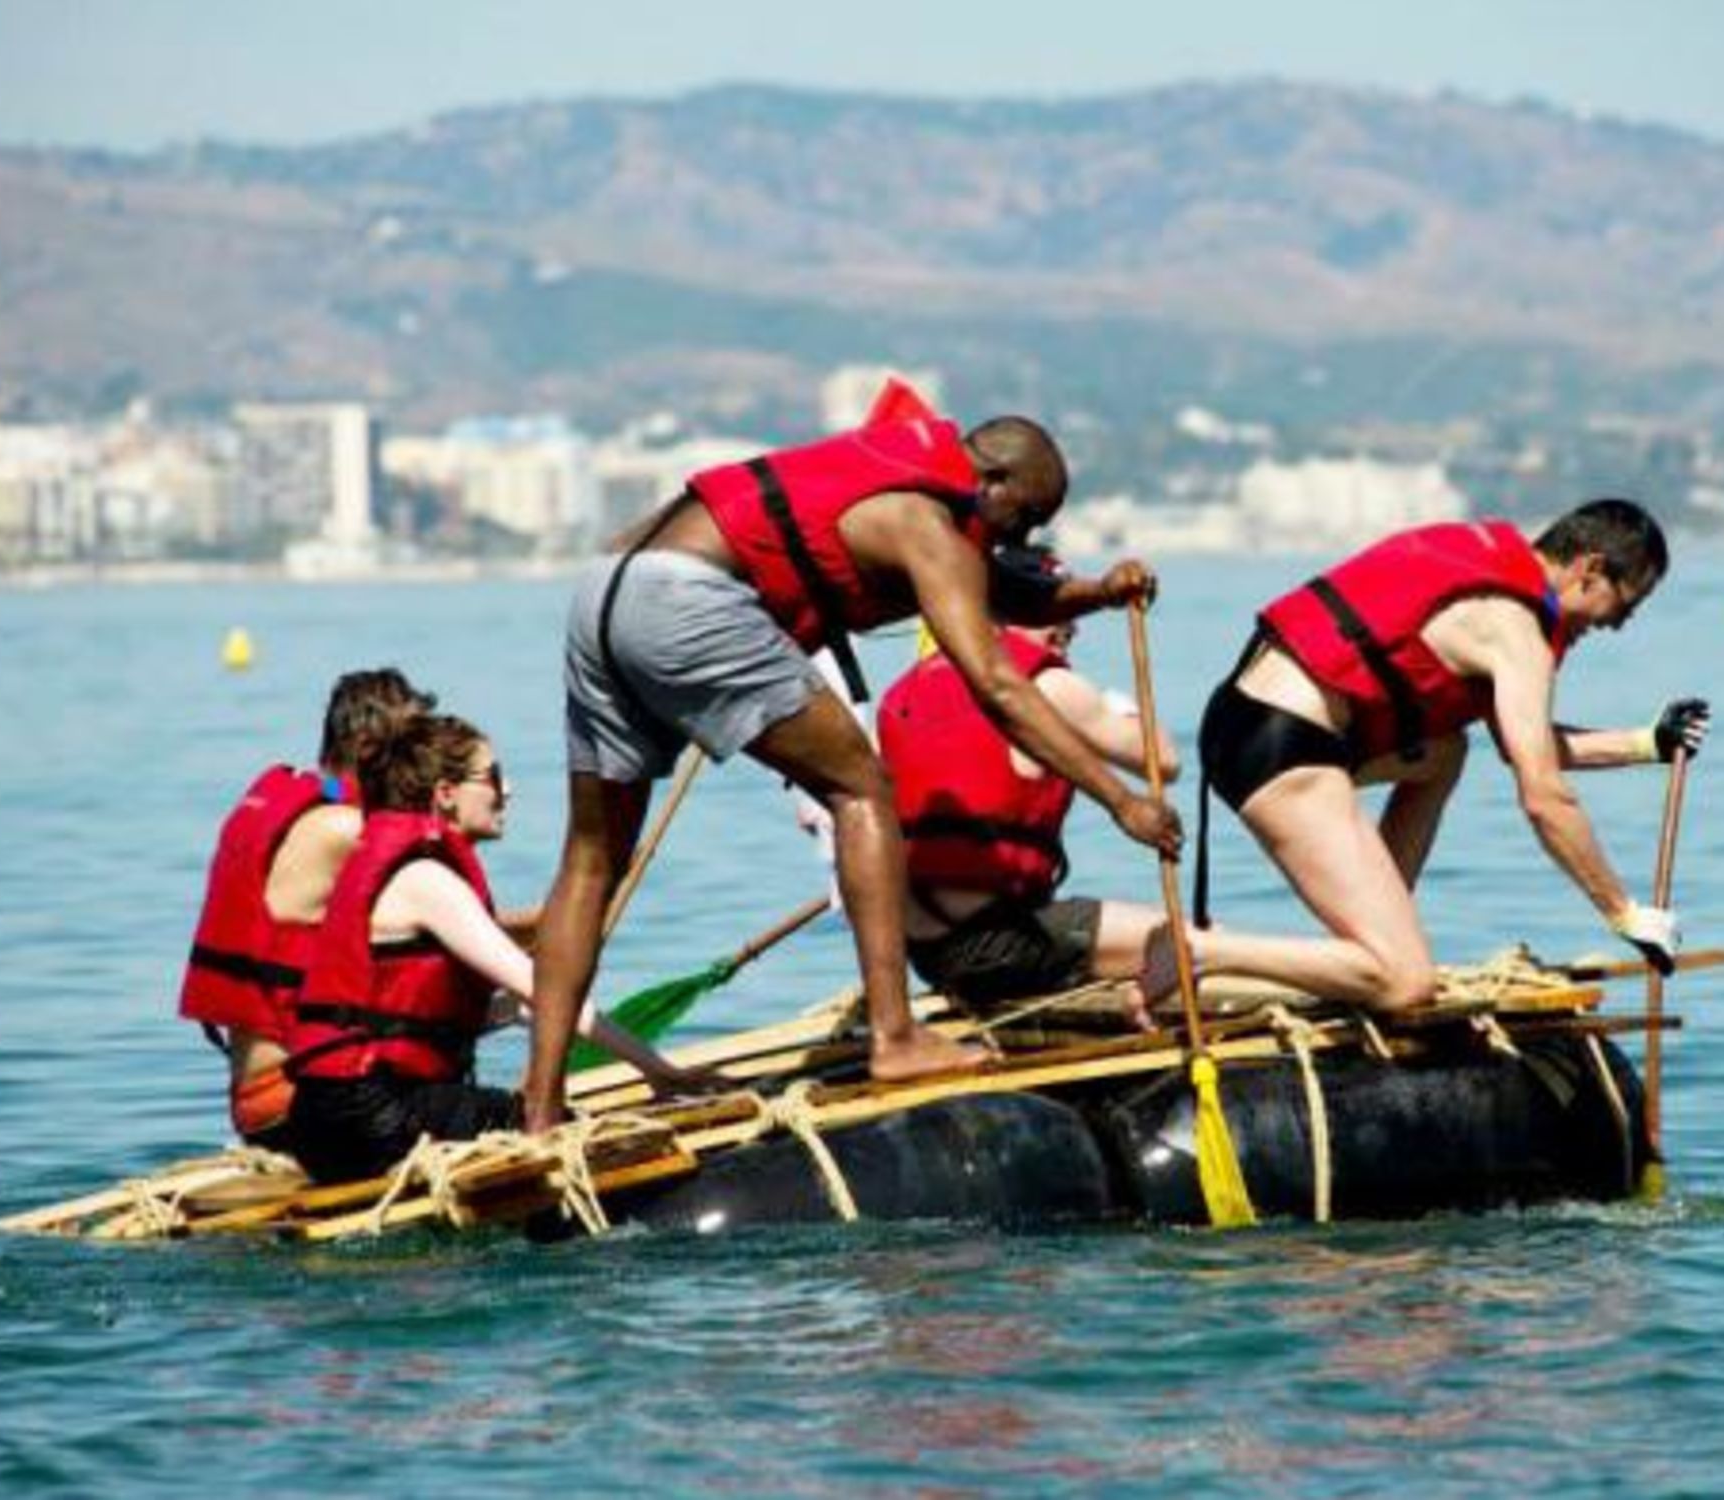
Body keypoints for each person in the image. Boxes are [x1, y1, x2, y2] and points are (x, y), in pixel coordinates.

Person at [533, 378, 1181, 1125]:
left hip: (603, 595)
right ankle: (896, 1036)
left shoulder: (905, 494)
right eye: (1023, 517)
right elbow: (999, 684)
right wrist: (1121, 799)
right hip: (688, 601)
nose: (1019, 539)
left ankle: (542, 1106)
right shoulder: (926, 519)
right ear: (991, 479)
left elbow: (1002, 589)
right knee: (862, 790)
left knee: (590, 860)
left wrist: (1098, 592)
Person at [1158, 500, 1711, 1015]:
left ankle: (1370, 942)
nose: (1616, 625)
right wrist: (1625, 914)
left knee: (1445, 752)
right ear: (1590, 570)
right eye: (1625, 605)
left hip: (1250, 721)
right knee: (1407, 982)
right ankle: (1207, 951)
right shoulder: (1515, 633)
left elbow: (1529, 745)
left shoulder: (1501, 601)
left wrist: (1647, 743)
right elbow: (1544, 796)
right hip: (1283, 746)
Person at [286, 713, 704, 1184]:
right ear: (446, 794)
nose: (508, 793)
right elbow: (544, 990)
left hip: (326, 1119)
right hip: (376, 1116)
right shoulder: (426, 880)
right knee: (591, 1137)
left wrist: (653, 1067)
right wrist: (661, 1075)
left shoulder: (406, 871)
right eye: (494, 778)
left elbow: (519, 1009)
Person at [878, 547, 1176, 1028]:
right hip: (999, 943)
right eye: (1057, 613)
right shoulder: (1047, 684)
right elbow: (1163, 759)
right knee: (1193, 944)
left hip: (930, 952)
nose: (1070, 628)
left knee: (1117, 970)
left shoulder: (904, 692)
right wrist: (1108, 702)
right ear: (1020, 607)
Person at [177, 667, 431, 1153]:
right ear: (369, 753)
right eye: (413, 753)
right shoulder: (345, 831)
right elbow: (450, 932)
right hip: (305, 1103)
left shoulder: (287, 808)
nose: (424, 769)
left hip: (257, 1105)